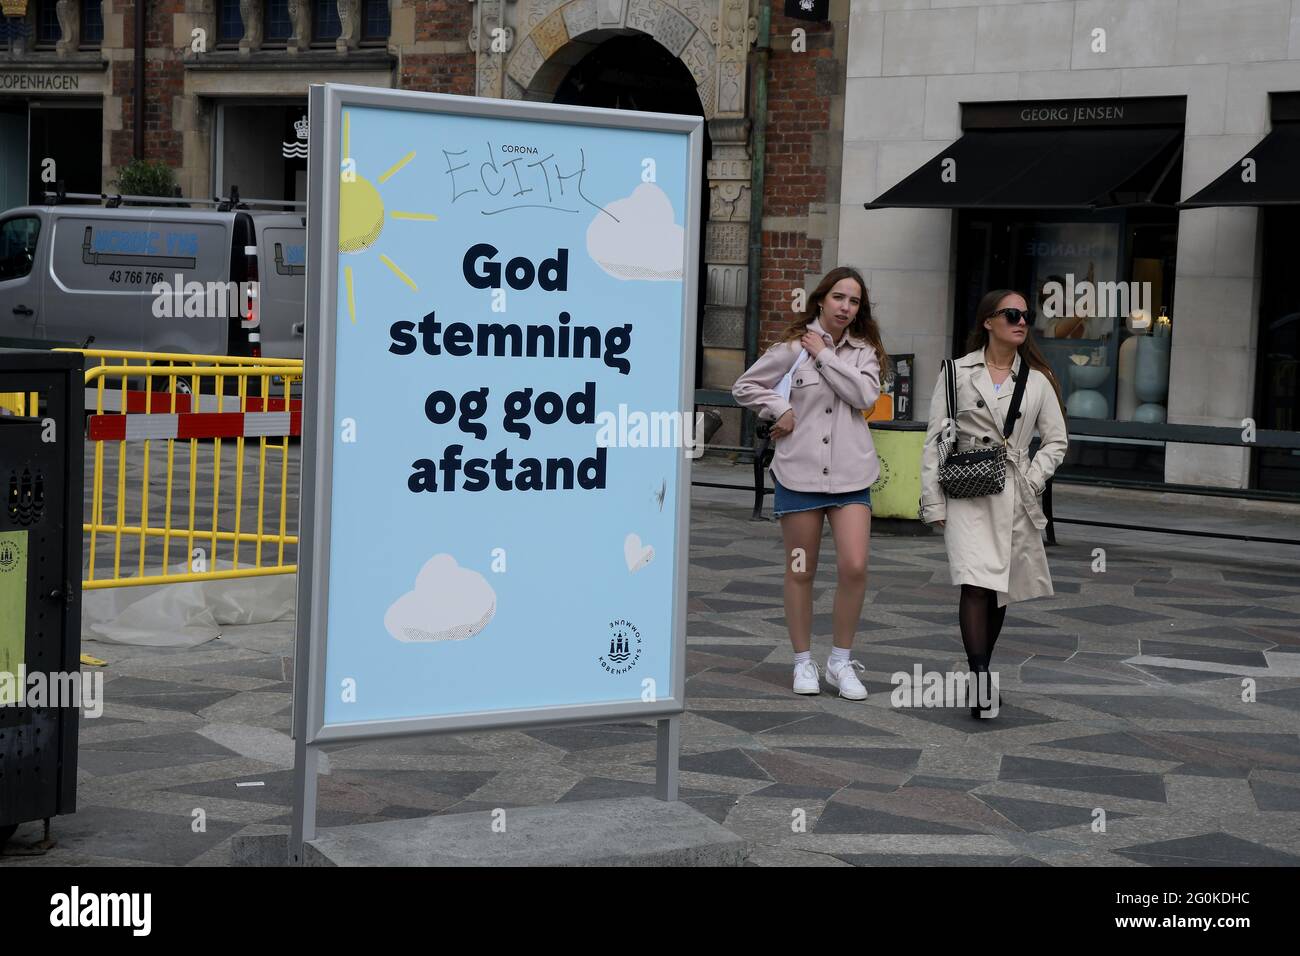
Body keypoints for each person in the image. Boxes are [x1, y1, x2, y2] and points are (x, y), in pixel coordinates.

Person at [732, 267, 886, 700]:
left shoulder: (864, 352)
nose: (845, 307)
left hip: (851, 475)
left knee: (855, 566)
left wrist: (825, 356)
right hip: (799, 475)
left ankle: (840, 661)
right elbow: (745, 386)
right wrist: (778, 409)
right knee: (801, 569)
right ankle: (803, 662)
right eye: (839, 298)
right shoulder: (791, 347)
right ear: (821, 300)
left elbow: (864, 398)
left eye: (854, 302)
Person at [919, 289, 1068, 718]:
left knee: (998, 588)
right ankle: (981, 675)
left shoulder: (1037, 380)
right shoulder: (956, 373)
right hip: (966, 490)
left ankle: (980, 674)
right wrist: (934, 503)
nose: (1022, 321)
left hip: (1014, 496)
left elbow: (1056, 441)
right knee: (974, 582)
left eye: (1027, 315)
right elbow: (935, 440)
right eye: (1012, 314)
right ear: (988, 321)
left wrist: (1033, 479)